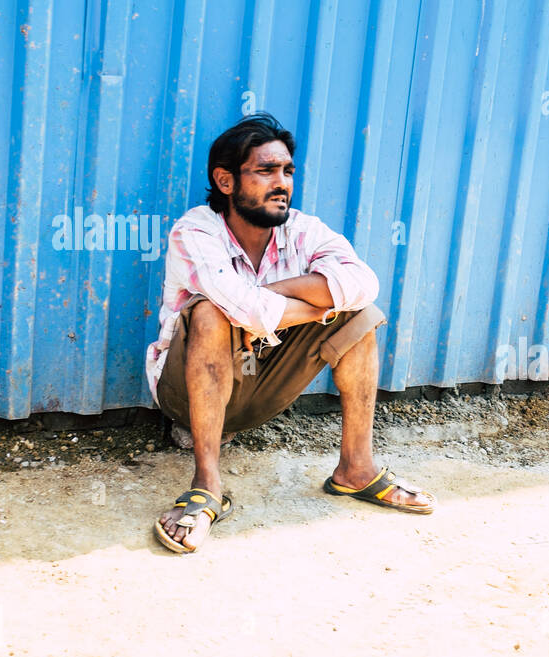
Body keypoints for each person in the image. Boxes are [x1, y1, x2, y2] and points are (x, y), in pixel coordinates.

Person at [146, 114, 435, 553]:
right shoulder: (196, 231)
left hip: (263, 387)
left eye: (287, 171)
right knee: (210, 313)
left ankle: (355, 469)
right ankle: (206, 485)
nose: (281, 182)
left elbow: (365, 285)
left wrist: (273, 291)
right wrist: (316, 302)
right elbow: (243, 309)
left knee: (361, 316)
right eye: (265, 171)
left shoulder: (303, 229)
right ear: (225, 181)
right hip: (186, 396)